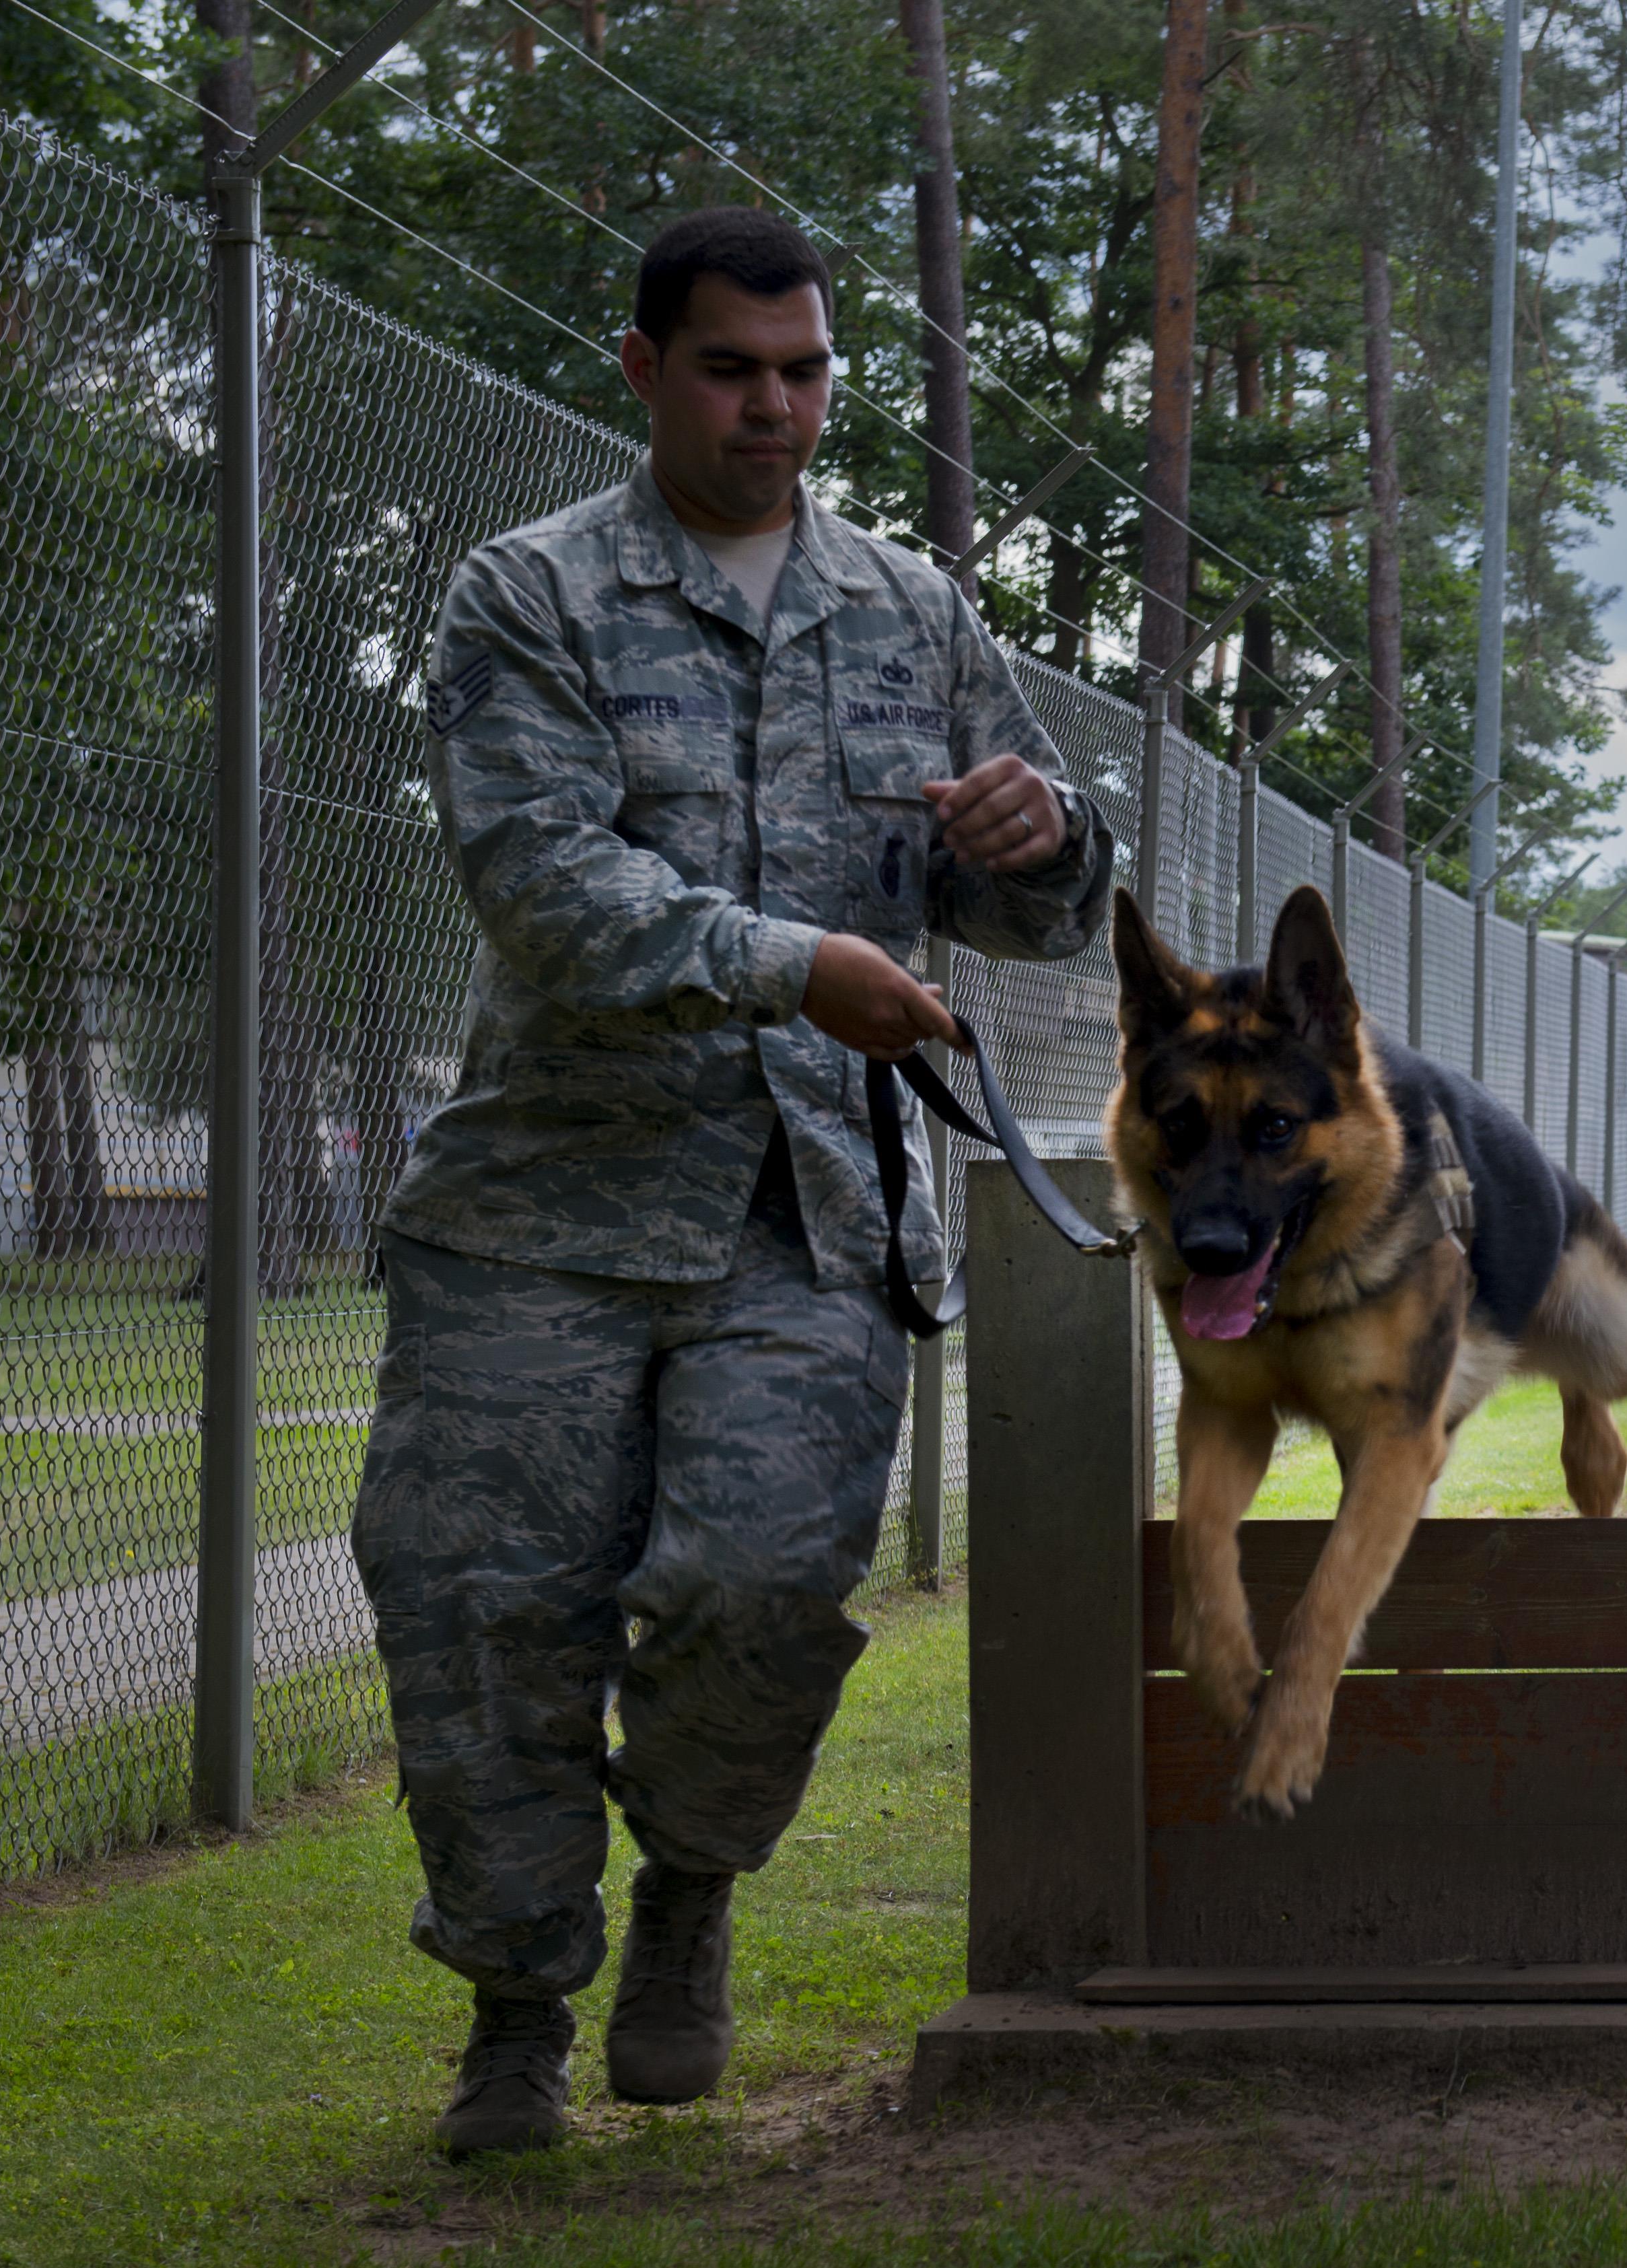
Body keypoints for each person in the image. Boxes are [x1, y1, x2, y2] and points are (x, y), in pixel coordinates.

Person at [353, 208, 1115, 2158]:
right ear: (642, 368)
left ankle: (689, 1884)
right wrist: (795, 966)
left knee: (762, 1588)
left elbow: (1032, 907)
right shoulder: (529, 595)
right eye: (729, 368)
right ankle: (518, 2004)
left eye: (804, 371)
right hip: (542, 1216)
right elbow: (543, 884)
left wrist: (1046, 838)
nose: (773, 407)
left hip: (812, 1218)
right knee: (486, 1612)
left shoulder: (915, 611)